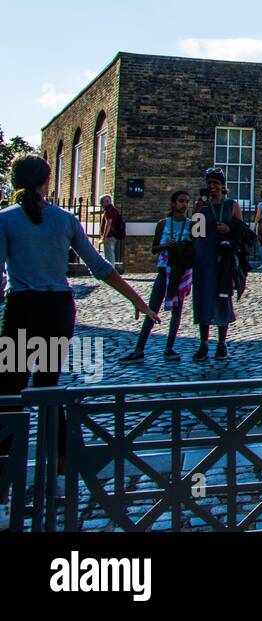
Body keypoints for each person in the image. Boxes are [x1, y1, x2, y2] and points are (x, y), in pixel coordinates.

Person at [0, 156, 156, 486]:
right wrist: (137, 300)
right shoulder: (65, 219)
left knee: (10, 391)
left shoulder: (6, 220)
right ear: (47, 182)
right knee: (49, 386)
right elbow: (100, 267)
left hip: (23, 308)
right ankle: (59, 472)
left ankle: (3, 482)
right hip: (57, 310)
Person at [122, 190, 195, 363]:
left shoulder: (192, 225)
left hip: (181, 272)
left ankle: (169, 347)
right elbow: (153, 248)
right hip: (164, 270)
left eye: (186, 202)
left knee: (177, 311)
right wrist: (165, 246)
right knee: (152, 308)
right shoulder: (163, 224)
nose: (184, 205)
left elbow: (196, 247)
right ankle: (139, 348)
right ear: (173, 203)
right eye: (181, 201)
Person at [191, 167, 250, 361]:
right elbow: (195, 233)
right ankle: (204, 342)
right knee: (204, 297)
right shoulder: (202, 207)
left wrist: (229, 228)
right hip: (204, 258)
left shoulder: (232, 205)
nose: (212, 187)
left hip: (223, 259)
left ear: (223, 185)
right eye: (209, 183)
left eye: (215, 183)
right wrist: (197, 211)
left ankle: (222, 342)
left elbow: (243, 232)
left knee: (222, 297)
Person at [98, 195, 125, 268]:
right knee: (110, 254)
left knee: (109, 255)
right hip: (112, 235)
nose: (101, 204)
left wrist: (104, 236)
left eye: (101, 202)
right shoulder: (113, 209)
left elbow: (108, 223)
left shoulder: (109, 210)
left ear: (107, 201)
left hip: (109, 236)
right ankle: (111, 270)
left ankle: (110, 271)